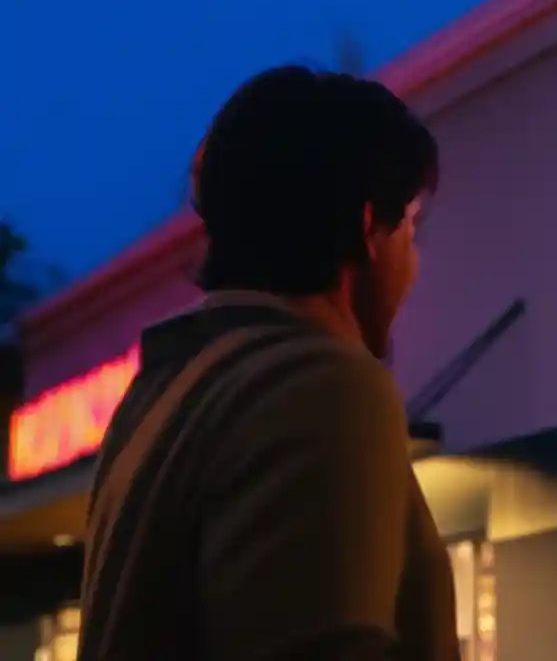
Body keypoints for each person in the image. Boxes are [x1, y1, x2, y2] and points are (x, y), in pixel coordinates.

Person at [79, 66, 455, 660]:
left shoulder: (161, 396)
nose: (415, 261)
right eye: (411, 226)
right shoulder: (318, 385)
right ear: (368, 228)